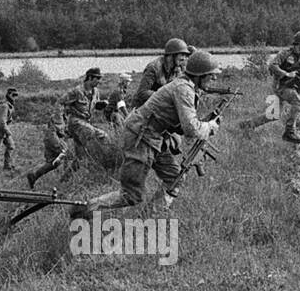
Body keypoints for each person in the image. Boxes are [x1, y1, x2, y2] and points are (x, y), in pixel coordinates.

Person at [69, 50, 222, 218]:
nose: (214, 79)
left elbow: (182, 125)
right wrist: (210, 126)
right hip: (140, 137)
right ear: (200, 74)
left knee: (174, 177)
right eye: (211, 75)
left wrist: (205, 123)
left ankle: (149, 218)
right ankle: (85, 209)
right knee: (131, 195)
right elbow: (191, 129)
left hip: (154, 137)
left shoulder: (186, 86)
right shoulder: (183, 89)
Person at [241, 30, 300, 143]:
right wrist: (286, 73)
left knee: (274, 115)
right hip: (281, 86)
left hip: (293, 86)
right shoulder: (285, 54)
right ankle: (289, 131)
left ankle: (248, 124)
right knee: (298, 102)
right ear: (298, 45)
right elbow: (272, 66)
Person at [132, 37, 192, 160]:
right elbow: (142, 93)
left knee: (176, 142)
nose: (184, 60)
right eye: (182, 56)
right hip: (142, 112)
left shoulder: (178, 69)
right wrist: (163, 96)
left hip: (159, 112)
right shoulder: (154, 68)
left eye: (186, 57)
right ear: (171, 56)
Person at [57, 68, 109, 173]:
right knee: (94, 135)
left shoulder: (95, 92)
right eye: (97, 78)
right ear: (89, 78)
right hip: (75, 122)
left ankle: (65, 179)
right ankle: (97, 169)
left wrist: (101, 104)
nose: (99, 81)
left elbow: (94, 105)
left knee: (81, 158)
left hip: (85, 123)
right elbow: (60, 102)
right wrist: (60, 122)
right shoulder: (76, 91)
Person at [25, 106, 71, 189]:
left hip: (50, 137)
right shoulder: (59, 114)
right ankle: (66, 179)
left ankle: (34, 176)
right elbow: (60, 129)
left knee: (52, 163)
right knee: (66, 153)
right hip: (53, 137)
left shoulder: (63, 115)